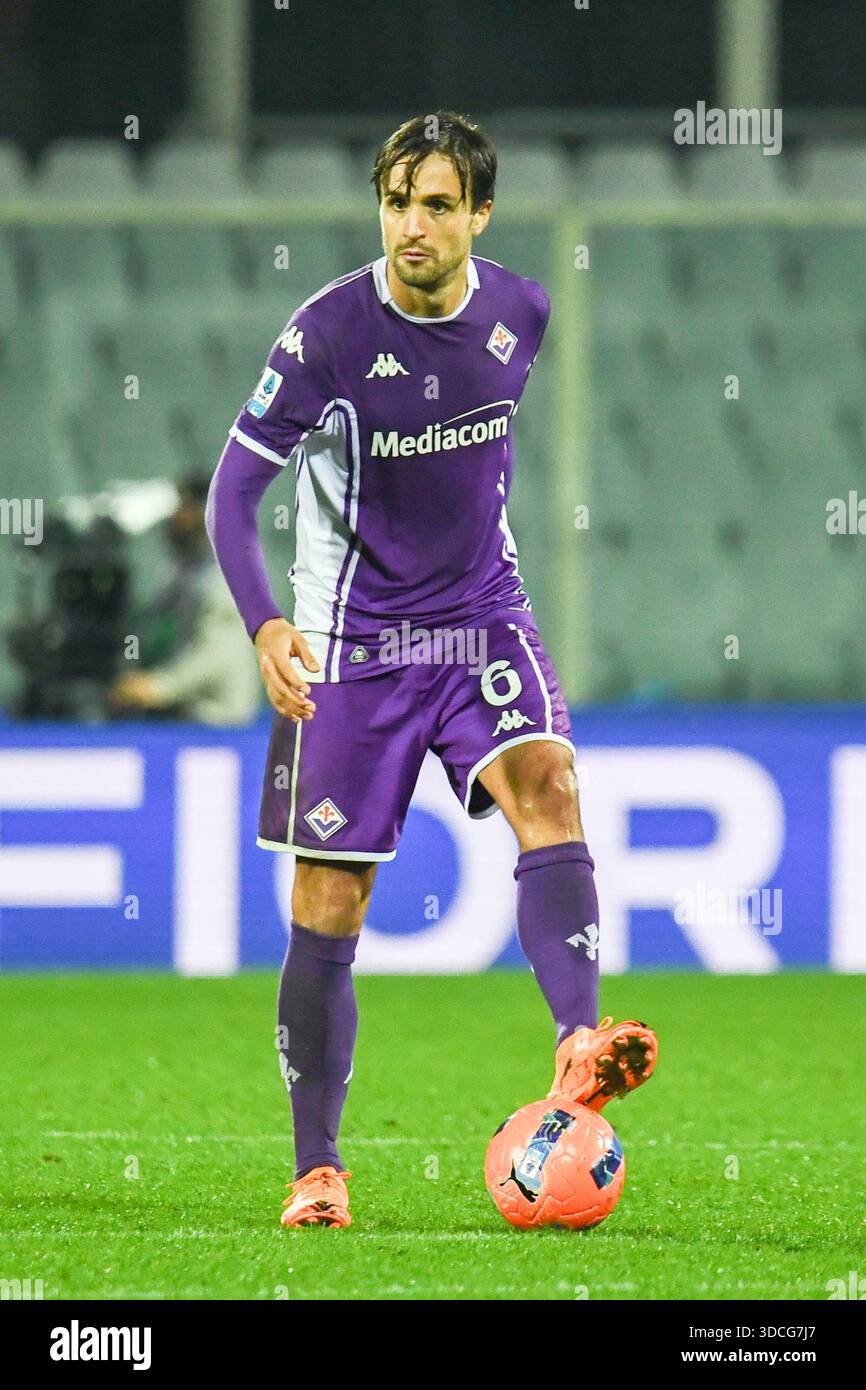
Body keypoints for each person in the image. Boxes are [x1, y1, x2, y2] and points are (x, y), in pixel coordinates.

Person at [206, 112, 658, 1229]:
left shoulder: (521, 311)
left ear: (479, 215)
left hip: (476, 621)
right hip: (354, 648)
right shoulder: (323, 336)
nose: (413, 224)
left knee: (548, 784)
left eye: (438, 204)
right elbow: (229, 496)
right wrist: (267, 626)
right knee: (330, 898)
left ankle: (575, 1047)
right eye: (397, 201)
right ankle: (318, 1167)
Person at [111, 476, 260, 725]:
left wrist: (157, 687)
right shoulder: (183, 570)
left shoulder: (228, 571)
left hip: (220, 721)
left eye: (186, 506)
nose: (177, 517)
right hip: (187, 712)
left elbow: (219, 653)